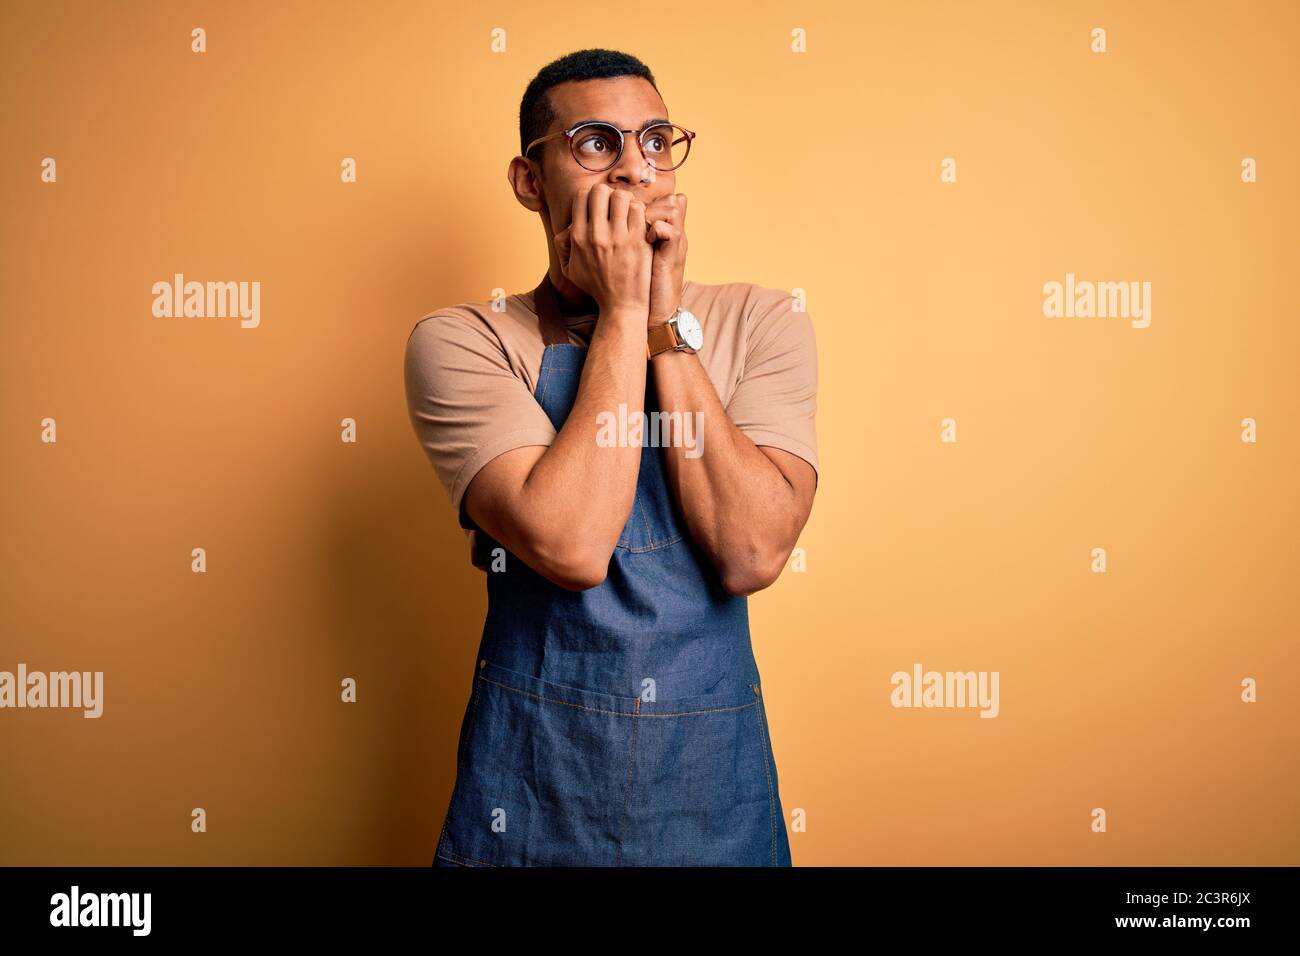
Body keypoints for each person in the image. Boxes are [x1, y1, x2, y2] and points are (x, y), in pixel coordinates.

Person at [404, 48, 818, 866]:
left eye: (656, 140)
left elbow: (753, 550)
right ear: (530, 181)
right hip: (532, 788)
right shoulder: (464, 342)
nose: (635, 170)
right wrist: (630, 306)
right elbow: (570, 542)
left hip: (714, 794)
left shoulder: (763, 322)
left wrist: (664, 320)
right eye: (596, 142)